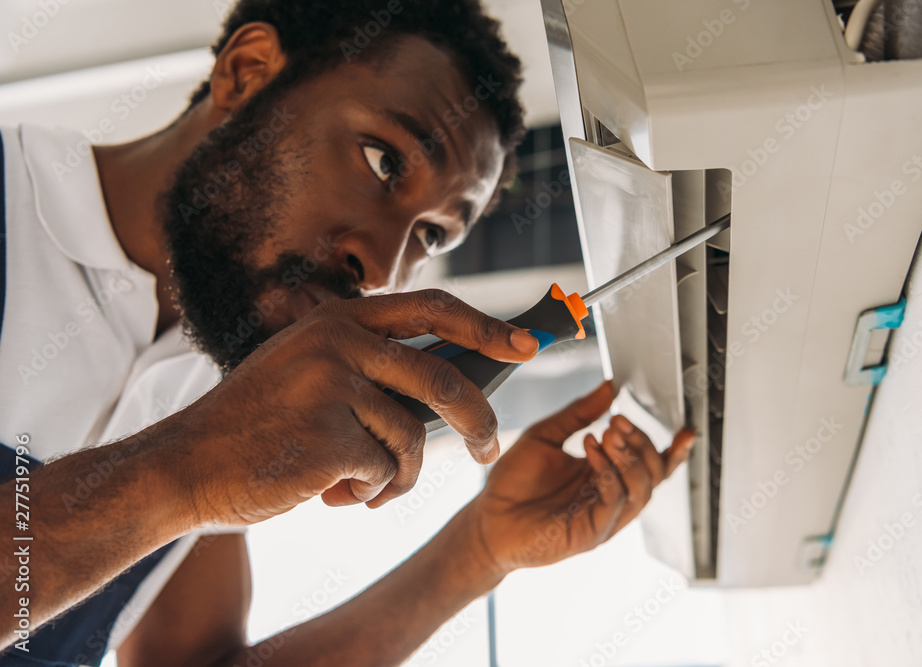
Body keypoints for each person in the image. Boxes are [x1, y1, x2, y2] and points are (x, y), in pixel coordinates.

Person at [0, 1, 694, 664]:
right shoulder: (13, 206)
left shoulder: (227, 386)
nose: (384, 267)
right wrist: (190, 466)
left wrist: (480, 550)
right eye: (384, 161)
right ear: (247, 73)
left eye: (430, 235)